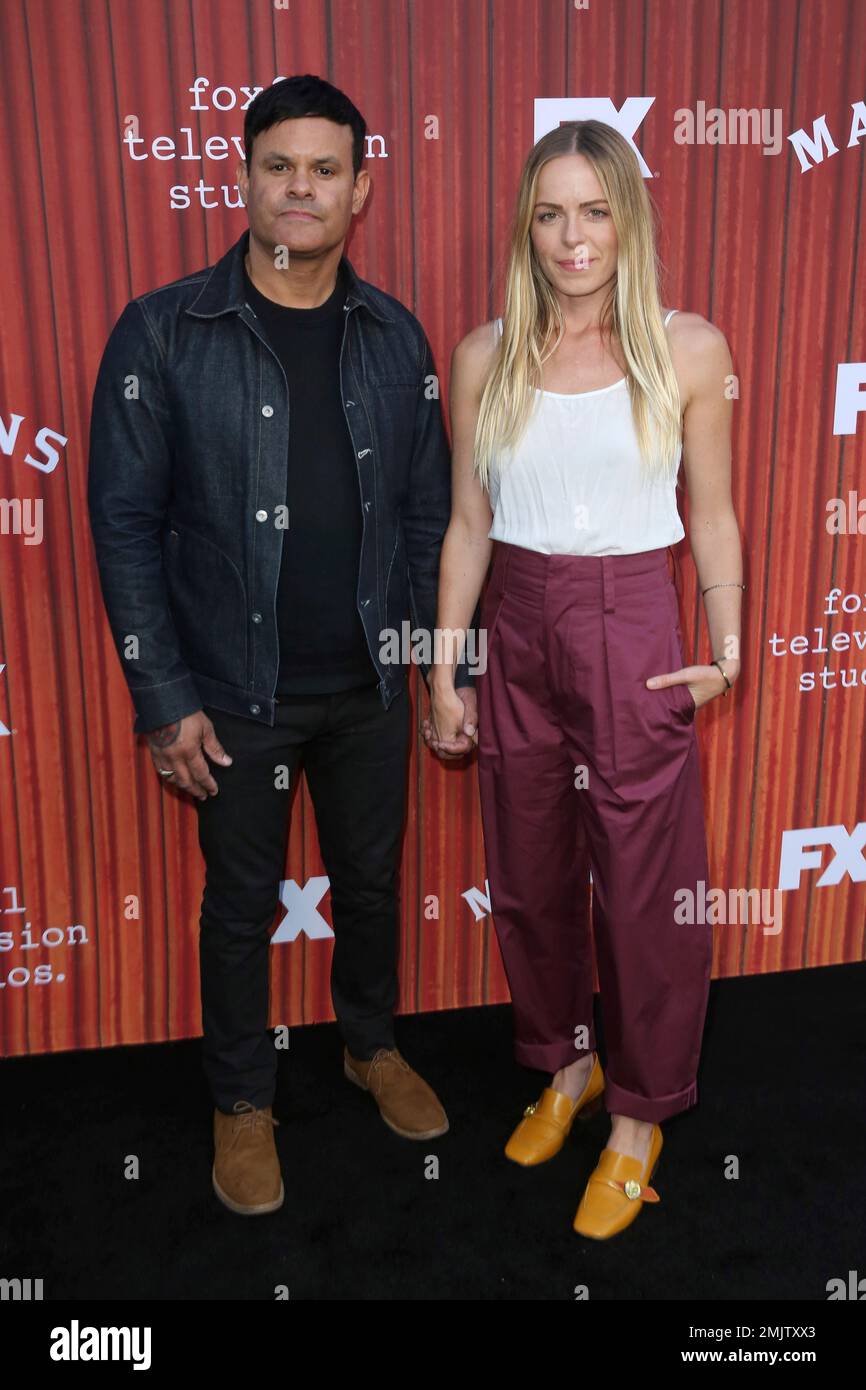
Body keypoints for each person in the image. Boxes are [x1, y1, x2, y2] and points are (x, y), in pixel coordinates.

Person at [87, 74, 479, 1217]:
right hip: (230, 690)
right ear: (243, 176)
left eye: (323, 169)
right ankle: (240, 1100)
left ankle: (367, 1043)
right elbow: (122, 525)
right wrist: (163, 697)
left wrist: (424, 668)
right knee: (238, 903)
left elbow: (423, 513)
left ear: (359, 187)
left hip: (363, 685)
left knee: (367, 883)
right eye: (277, 165)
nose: (299, 188)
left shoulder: (390, 332)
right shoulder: (163, 331)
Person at [424, 119, 743, 1239]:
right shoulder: (481, 354)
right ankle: (565, 1066)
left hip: (634, 625)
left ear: (627, 219)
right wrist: (445, 665)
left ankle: (641, 1110)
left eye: (594, 211)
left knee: (647, 884)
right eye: (551, 212)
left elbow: (709, 511)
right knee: (528, 871)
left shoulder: (684, 347)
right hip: (513, 622)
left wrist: (729, 642)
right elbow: (467, 524)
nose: (572, 237)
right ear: (527, 222)